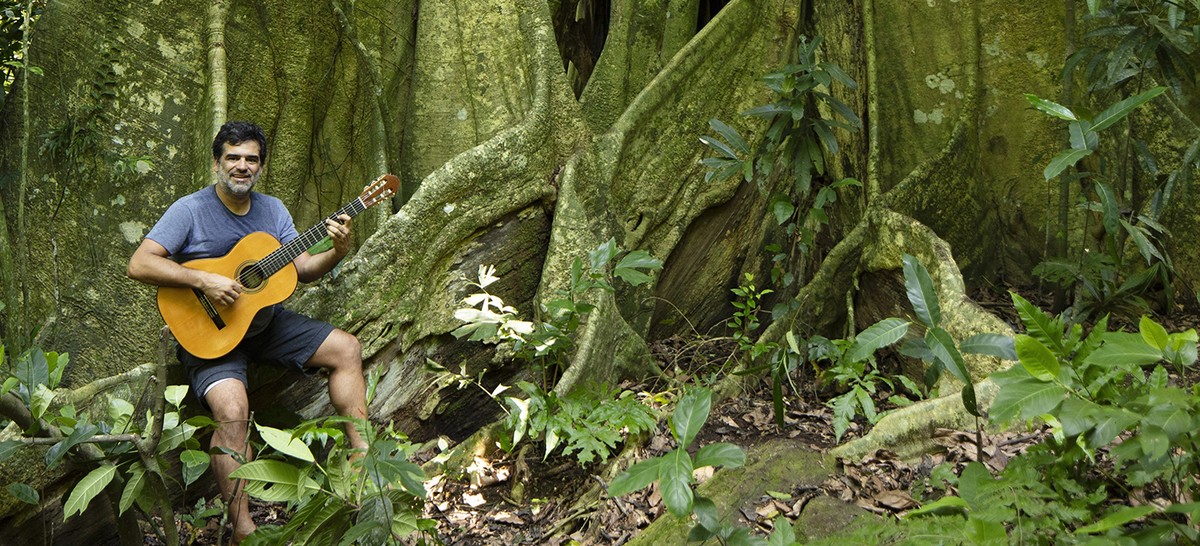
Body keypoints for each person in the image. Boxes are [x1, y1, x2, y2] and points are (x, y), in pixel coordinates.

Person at [127, 120, 369, 542]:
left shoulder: (273, 210)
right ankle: (243, 528)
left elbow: (303, 269)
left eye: (251, 159)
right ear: (218, 162)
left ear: (261, 165)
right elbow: (140, 263)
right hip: (210, 336)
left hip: (266, 325)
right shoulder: (190, 209)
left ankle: (365, 468)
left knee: (347, 348)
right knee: (233, 411)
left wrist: (337, 251)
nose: (242, 166)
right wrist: (205, 281)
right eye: (233, 157)